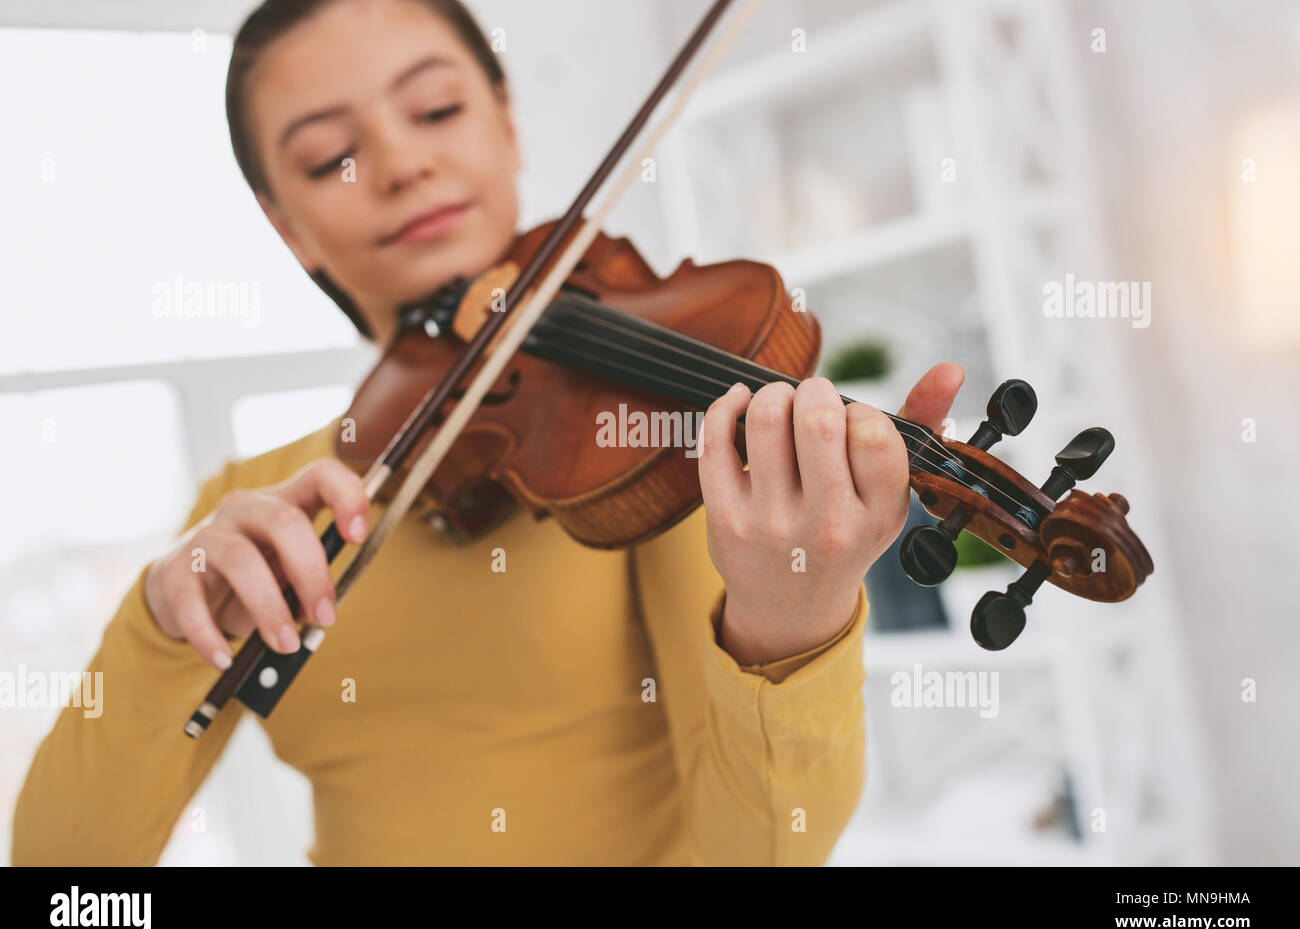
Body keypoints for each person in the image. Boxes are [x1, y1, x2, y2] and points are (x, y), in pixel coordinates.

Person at [12, 0, 963, 865]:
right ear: (286, 226)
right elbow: (64, 873)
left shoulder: (642, 437)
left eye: (434, 111)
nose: (400, 164)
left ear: (506, 125)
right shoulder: (253, 514)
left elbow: (764, 855)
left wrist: (792, 620)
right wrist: (155, 628)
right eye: (329, 157)